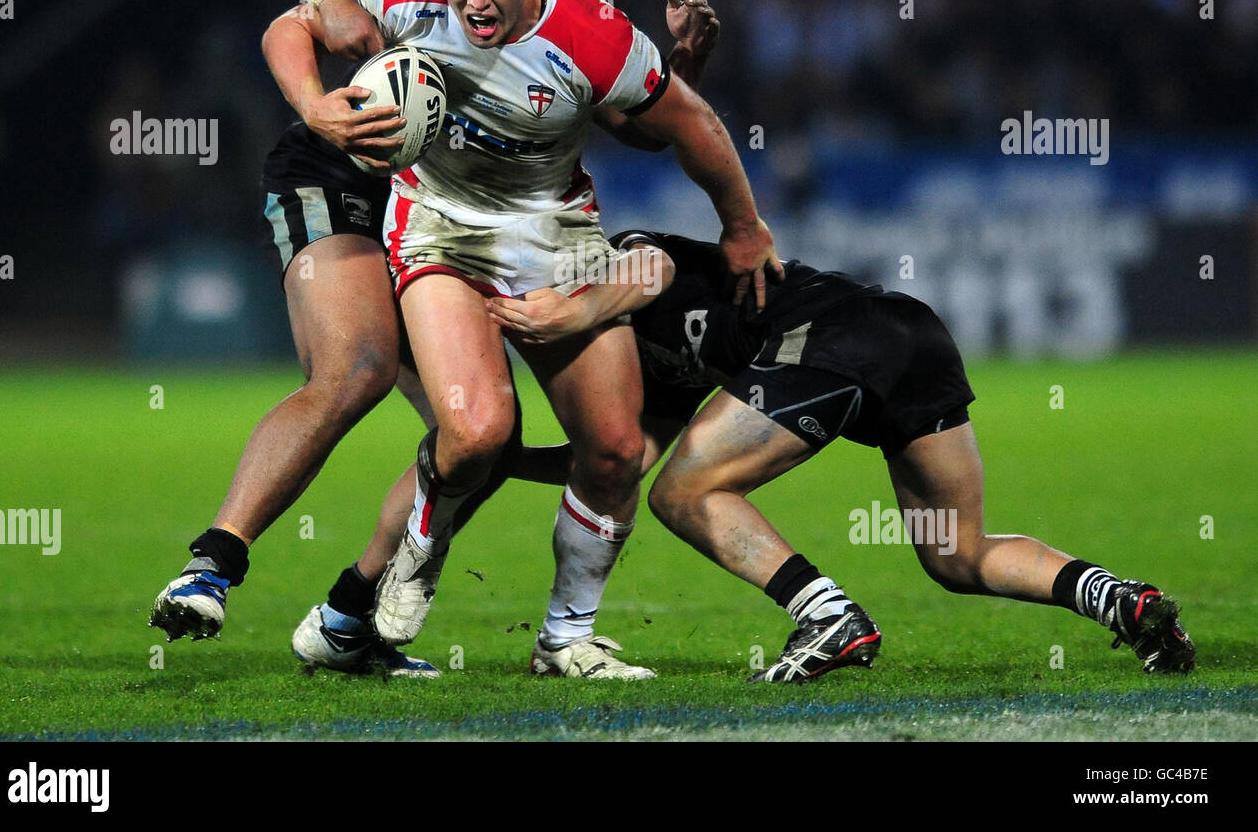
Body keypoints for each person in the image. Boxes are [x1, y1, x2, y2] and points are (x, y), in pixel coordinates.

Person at [147, 0, 722, 679]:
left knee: (482, 437)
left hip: (455, 211)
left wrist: (685, 71)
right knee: (359, 366)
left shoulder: (575, 19)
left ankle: (350, 617)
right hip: (340, 171)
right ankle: (213, 564)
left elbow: (636, 124)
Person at [480, 231, 1197, 682]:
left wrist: (563, 313)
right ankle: (1123, 601)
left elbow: (653, 263)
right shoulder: (650, 369)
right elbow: (624, 459)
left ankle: (826, 617)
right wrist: (503, 459)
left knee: (684, 495)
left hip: (832, 336)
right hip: (910, 334)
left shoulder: (607, 270)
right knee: (957, 553)